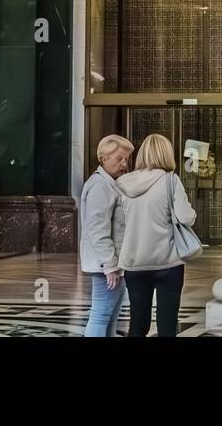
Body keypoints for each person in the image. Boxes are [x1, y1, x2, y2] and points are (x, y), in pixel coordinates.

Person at [116, 133, 197, 337]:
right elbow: (186, 217)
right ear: (166, 154)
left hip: (134, 263)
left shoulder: (123, 183)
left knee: (138, 323)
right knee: (167, 324)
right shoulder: (171, 180)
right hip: (167, 263)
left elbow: (118, 225)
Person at [80, 134, 133, 337]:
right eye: (119, 158)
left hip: (112, 264)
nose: (124, 164)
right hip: (106, 265)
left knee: (110, 315)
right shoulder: (100, 185)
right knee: (101, 315)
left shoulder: (108, 183)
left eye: (126, 159)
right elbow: (97, 229)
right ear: (103, 158)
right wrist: (110, 266)